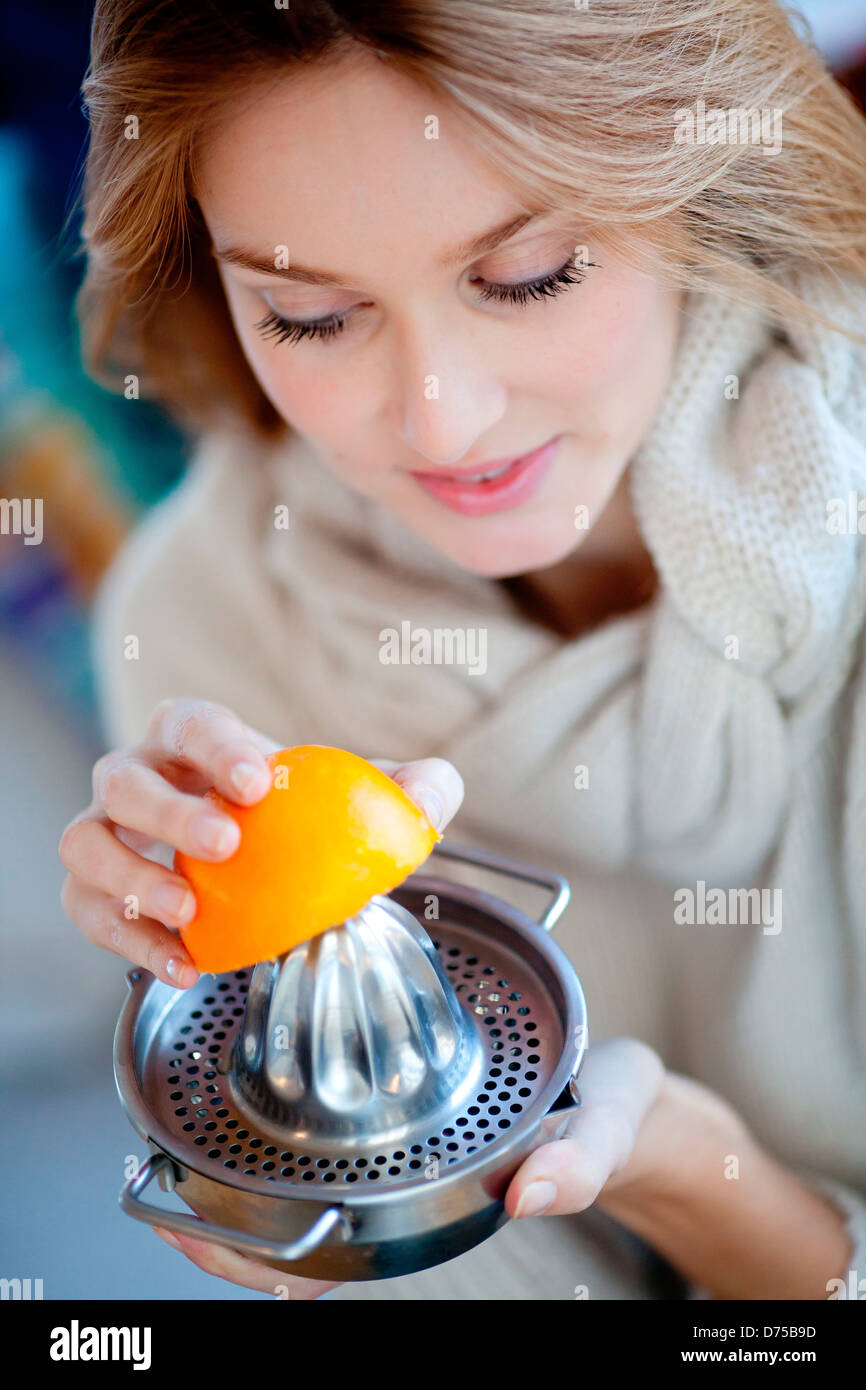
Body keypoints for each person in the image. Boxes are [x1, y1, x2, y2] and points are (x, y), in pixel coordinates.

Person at [59, 0, 866, 1301]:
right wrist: (349, 1206)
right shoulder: (210, 613)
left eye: (531, 274)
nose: (441, 418)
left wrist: (703, 1184)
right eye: (310, 315)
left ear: (702, 183)